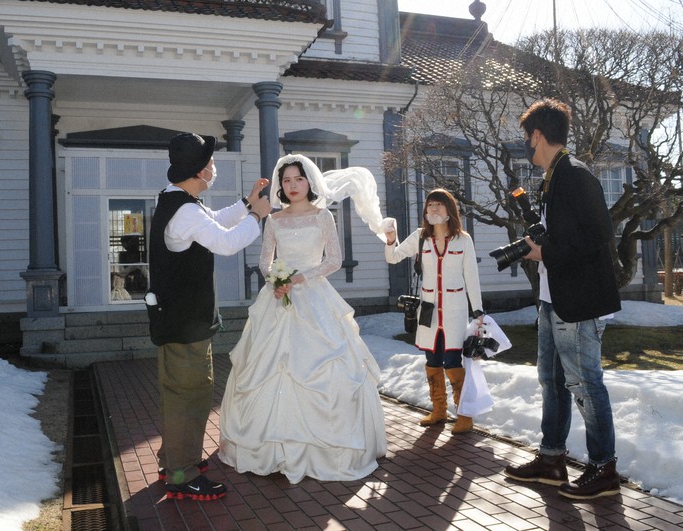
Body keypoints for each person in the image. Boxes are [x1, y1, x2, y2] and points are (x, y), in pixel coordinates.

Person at [218, 154, 387, 484]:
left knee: (329, 366)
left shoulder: (324, 216)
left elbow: (334, 260)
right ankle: (268, 447)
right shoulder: (274, 220)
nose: (292, 186)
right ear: (280, 186)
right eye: (286, 181)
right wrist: (276, 280)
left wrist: (300, 278)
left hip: (313, 295)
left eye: (297, 179)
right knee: (264, 367)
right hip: (277, 298)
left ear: (309, 182)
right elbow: (266, 261)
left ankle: (326, 448)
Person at [503, 99, 622, 500]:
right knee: (552, 381)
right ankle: (552, 460)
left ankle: (603, 467)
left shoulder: (575, 174)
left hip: (578, 301)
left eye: (526, 139)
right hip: (554, 299)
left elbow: (600, 233)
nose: (526, 146)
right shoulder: (553, 177)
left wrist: (545, 253)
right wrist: (542, 244)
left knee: (585, 384)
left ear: (538, 135)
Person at [147, 132, 272, 501]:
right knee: (192, 396)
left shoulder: (178, 202)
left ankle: (175, 460)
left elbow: (214, 220)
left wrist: (246, 204)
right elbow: (226, 242)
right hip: (185, 323)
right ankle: (181, 475)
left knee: (179, 394)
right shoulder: (185, 209)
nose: (214, 168)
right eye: (212, 163)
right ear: (202, 172)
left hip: (177, 320)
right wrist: (257, 216)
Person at [383, 188, 484, 435]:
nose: (434, 209)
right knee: (432, 360)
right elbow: (394, 257)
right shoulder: (421, 238)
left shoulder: (463, 239)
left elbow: (471, 276)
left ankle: (464, 415)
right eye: (430, 206)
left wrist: (478, 311)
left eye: (439, 205)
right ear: (425, 212)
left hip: (455, 311)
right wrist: (390, 239)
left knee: (452, 361)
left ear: (450, 210)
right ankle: (439, 410)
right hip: (429, 312)